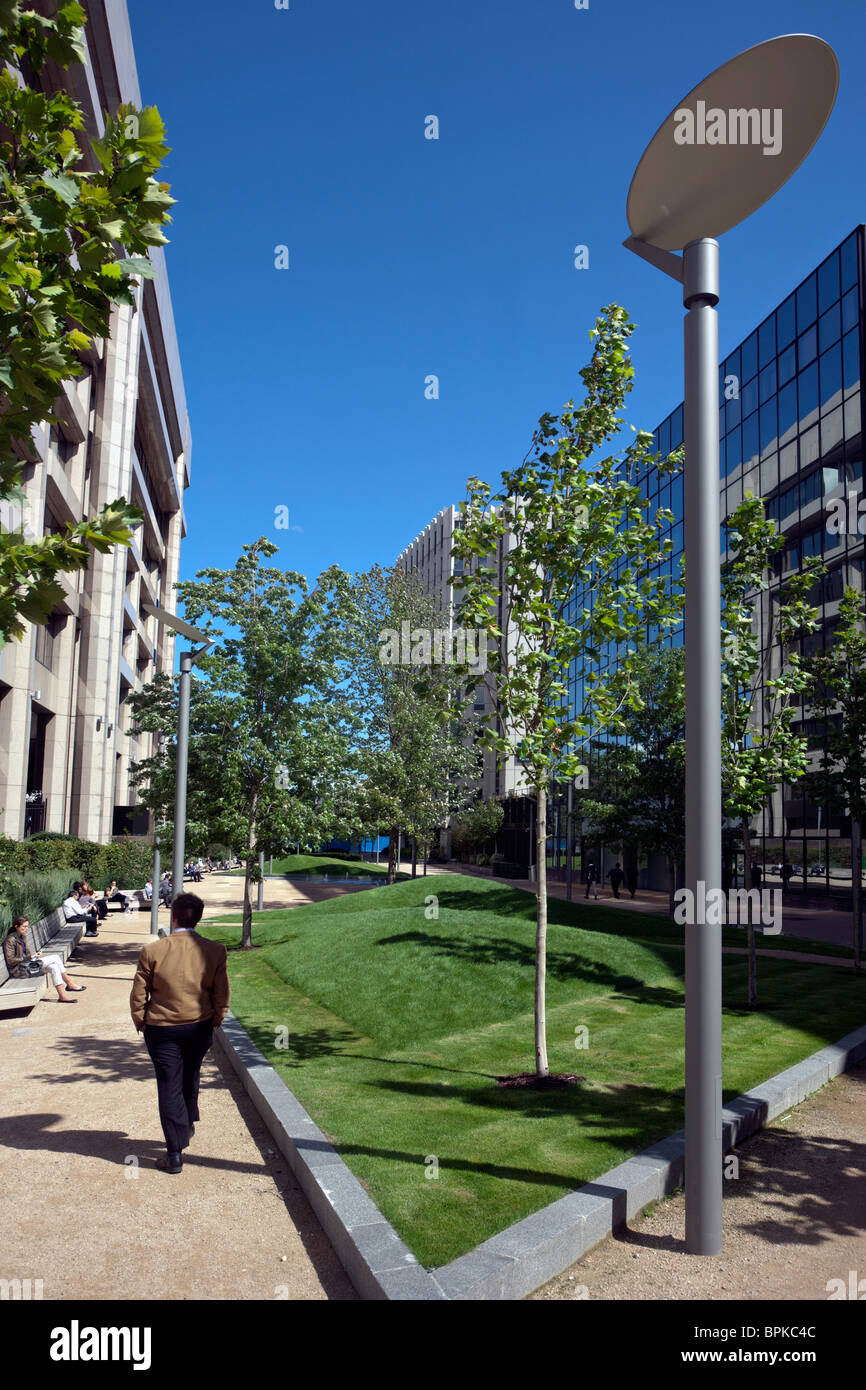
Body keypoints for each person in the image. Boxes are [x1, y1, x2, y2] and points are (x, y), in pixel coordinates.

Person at [130, 892, 230, 1174]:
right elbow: (222, 991)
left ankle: (174, 1151)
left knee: (169, 1082)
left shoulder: (153, 951)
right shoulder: (215, 950)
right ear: (199, 918)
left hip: (162, 1028)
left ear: (173, 916)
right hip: (198, 1025)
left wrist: (141, 1020)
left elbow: (139, 993)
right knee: (190, 1074)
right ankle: (185, 1124)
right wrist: (217, 1018)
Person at [3, 916, 86, 1003]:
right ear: (16, 926)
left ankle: (62, 996)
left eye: (27, 926)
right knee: (55, 958)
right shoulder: (10, 940)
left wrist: (34, 956)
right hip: (19, 970)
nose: (26, 929)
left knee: (54, 967)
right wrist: (29, 958)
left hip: (27, 965)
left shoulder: (22, 936)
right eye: (24, 926)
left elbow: (26, 955)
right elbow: (10, 960)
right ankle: (69, 984)